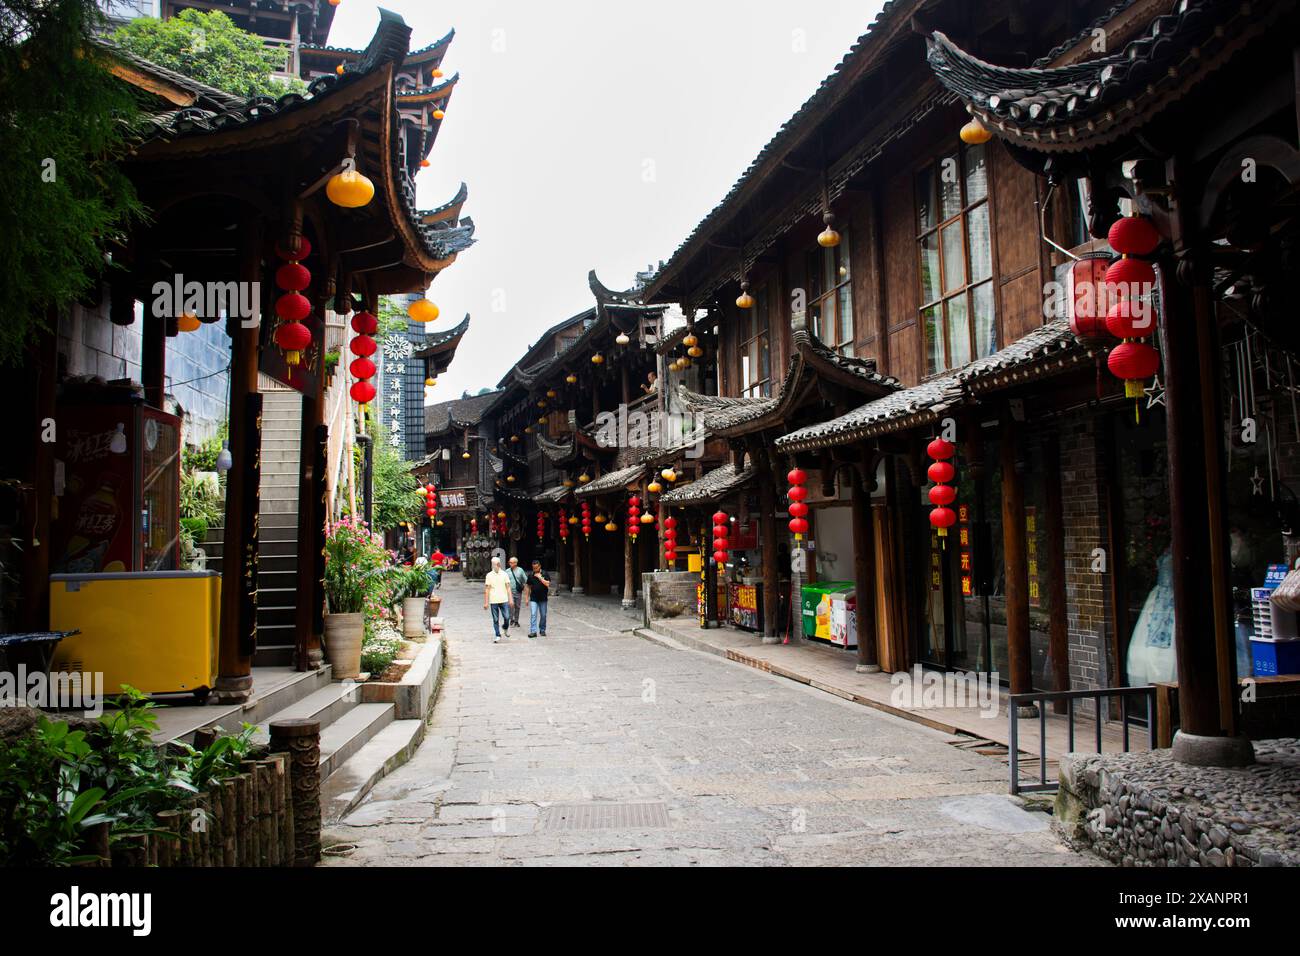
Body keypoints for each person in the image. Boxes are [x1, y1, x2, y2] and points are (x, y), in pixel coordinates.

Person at [483, 556, 512, 642]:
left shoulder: (504, 574)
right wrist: (486, 602)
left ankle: (505, 627)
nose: (493, 566)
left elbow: (508, 587)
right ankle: (497, 634)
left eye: (495, 564)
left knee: (507, 617)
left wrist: (510, 599)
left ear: (499, 564)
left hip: (504, 599)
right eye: (492, 564)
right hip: (494, 600)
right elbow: (487, 589)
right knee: (495, 619)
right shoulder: (489, 575)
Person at [526, 559, 550, 638]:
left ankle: (542, 630)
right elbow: (528, 586)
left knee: (543, 615)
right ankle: (533, 631)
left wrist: (540, 578)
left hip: (543, 598)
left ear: (539, 566)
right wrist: (526, 598)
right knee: (533, 614)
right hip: (533, 598)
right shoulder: (531, 575)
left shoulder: (545, 573)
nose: (535, 569)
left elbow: (547, 584)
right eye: (533, 568)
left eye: (536, 568)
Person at [506, 556, 527, 627]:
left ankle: (516, 621)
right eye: (509, 562)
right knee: (510, 606)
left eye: (511, 562)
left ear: (515, 563)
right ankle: (511, 619)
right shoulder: (507, 571)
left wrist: (524, 586)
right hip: (509, 592)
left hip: (518, 592)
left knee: (517, 606)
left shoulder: (520, 570)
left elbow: (525, 580)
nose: (510, 564)